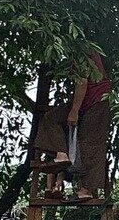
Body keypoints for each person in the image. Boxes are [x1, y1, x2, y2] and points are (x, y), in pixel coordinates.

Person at [32, 51, 113, 201]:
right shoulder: (78, 51)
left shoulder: (84, 51)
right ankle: (61, 154)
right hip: (87, 101)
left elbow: (81, 81)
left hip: (97, 101)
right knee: (51, 117)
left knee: (90, 143)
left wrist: (74, 111)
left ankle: (86, 189)